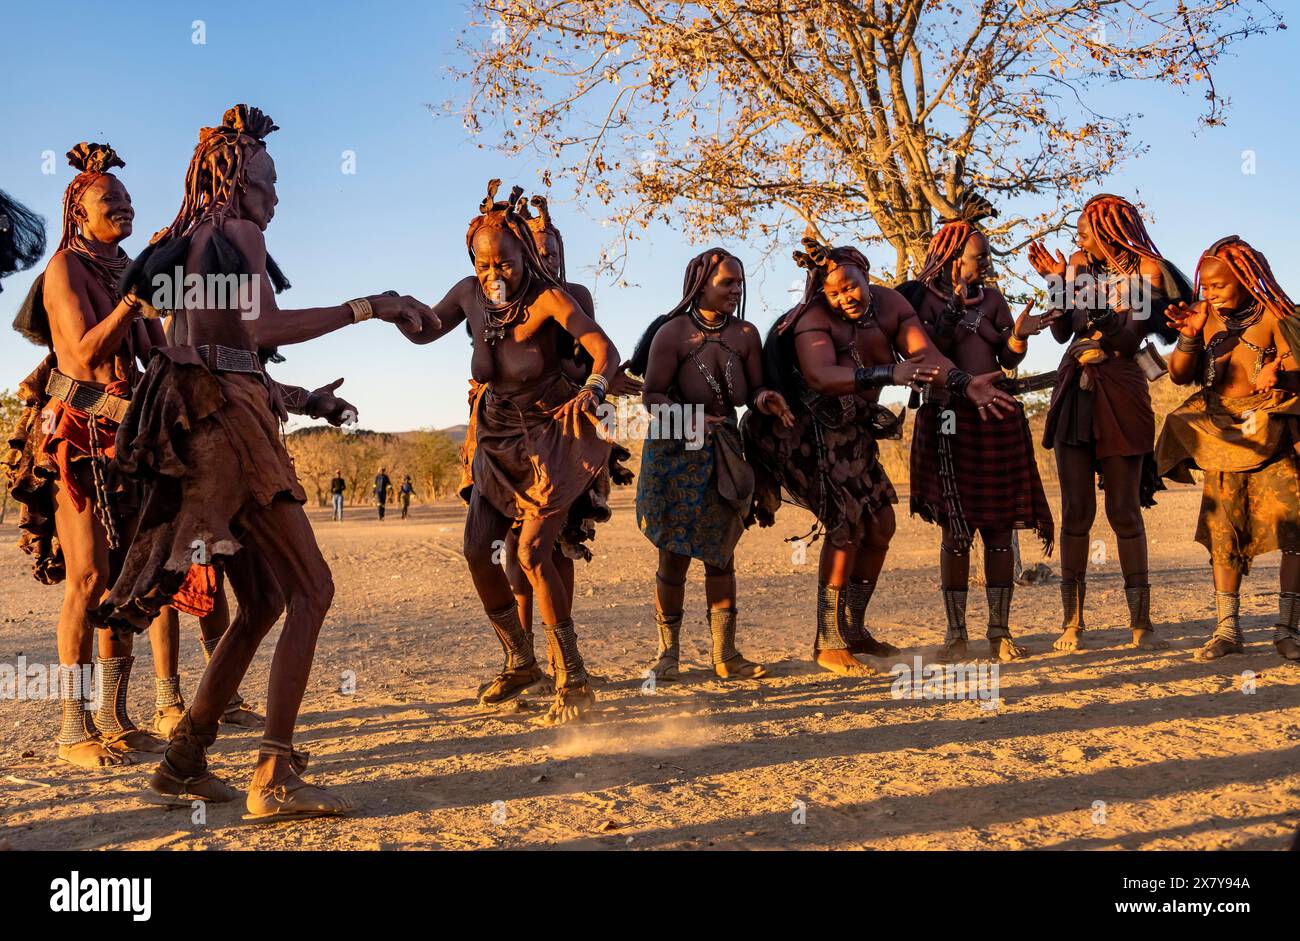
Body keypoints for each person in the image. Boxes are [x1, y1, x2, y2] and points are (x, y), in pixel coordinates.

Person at [96, 105, 431, 818]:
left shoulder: (190, 242)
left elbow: (222, 352)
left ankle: (184, 760)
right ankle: (274, 775)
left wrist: (309, 399)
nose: (276, 199)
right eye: (269, 183)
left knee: (266, 601)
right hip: (235, 436)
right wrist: (373, 305)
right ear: (238, 179)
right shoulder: (238, 232)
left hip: (209, 424)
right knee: (313, 589)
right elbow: (262, 328)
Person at [395, 180, 620, 724]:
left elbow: (601, 349)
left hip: (552, 437)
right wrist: (388, 310)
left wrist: (595, 386)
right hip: (495, 438)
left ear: (526, 256)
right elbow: (426, 332)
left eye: (507, 264)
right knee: (478, 551)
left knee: (533, 553)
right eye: (484, 264)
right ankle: (520, 659)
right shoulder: (469, 294)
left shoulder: (549, 300)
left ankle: (574, 676)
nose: (495, 274)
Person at [743, 235, 1016, 676]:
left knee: (881, 524)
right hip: (802, 431)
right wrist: (889, 372)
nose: (844, 297)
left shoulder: (891, 305)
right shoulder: (814, 319)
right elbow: (822, 375)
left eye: (851, 286)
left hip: (852, 430)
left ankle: (852, 629)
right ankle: (827, 641)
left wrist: (966, 383)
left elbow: (925, 355)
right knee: (844, 524)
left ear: (865, 275)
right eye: (833, 292)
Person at [6, 144, 173, 767]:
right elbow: (81, 354)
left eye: (128, 199)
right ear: (79, 210)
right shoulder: (64, 272)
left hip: (125, 440)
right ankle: (74, 728)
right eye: (111, 200)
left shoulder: (121, 270)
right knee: (88, 578)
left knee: (128, 580)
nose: (124, 206)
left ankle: (116, 716)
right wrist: (134, 297)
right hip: (76, 438)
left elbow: (155, 352)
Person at [1027, 194, 1190, 651]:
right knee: (1077, 512)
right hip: (1075, 385)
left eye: (1083, 233)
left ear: (1110, 231)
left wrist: (1088, 302)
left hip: (1121, 387)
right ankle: (1073, 622)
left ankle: (1142, 624)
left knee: (1123, 510)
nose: (1077, 241)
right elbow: (1063, 332)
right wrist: (1056, 282)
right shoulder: (1078, 264)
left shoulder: (1146, 273)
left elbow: (1125, 336)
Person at [898, 197, 1056, 662]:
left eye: (987, 255)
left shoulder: (994, 298)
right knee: (955, 530)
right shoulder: (920, 299)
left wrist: (1020, 335)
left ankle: (999, 631)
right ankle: (955, 635)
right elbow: (926, 352)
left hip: (998, 414)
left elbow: (1007, 359)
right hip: (947, 416)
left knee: (1000, 529)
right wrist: (949, 312)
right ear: (950, 256)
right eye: (979, 255)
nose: (986, 262)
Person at [630, 247, 793, 681]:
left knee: (722, 555)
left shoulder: (744, 333)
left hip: (723, 449)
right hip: (674, 453)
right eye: (728, 282)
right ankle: (668, 656)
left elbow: (753, 391)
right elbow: (652, 398)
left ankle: (726, 655)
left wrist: (766, 400)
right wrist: (692, 417)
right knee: (674, 557)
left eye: (739, 282)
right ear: (701, 285)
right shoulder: (673, 334)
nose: (736, 290)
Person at [1158, 236, 1300, 661]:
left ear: (1245, 278)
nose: (1211, 294)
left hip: (1270, 431)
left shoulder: (1278, 317)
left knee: (1294, 531)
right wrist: (1188, 337)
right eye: (1206, 287)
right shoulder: (1207, 318)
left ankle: (1287, 630)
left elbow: (1297, 373)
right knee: (1224, 533)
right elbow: (1180, 376)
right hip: (1222, 434)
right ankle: (1226, 631)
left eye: (1219, 286)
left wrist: (1280, 377)